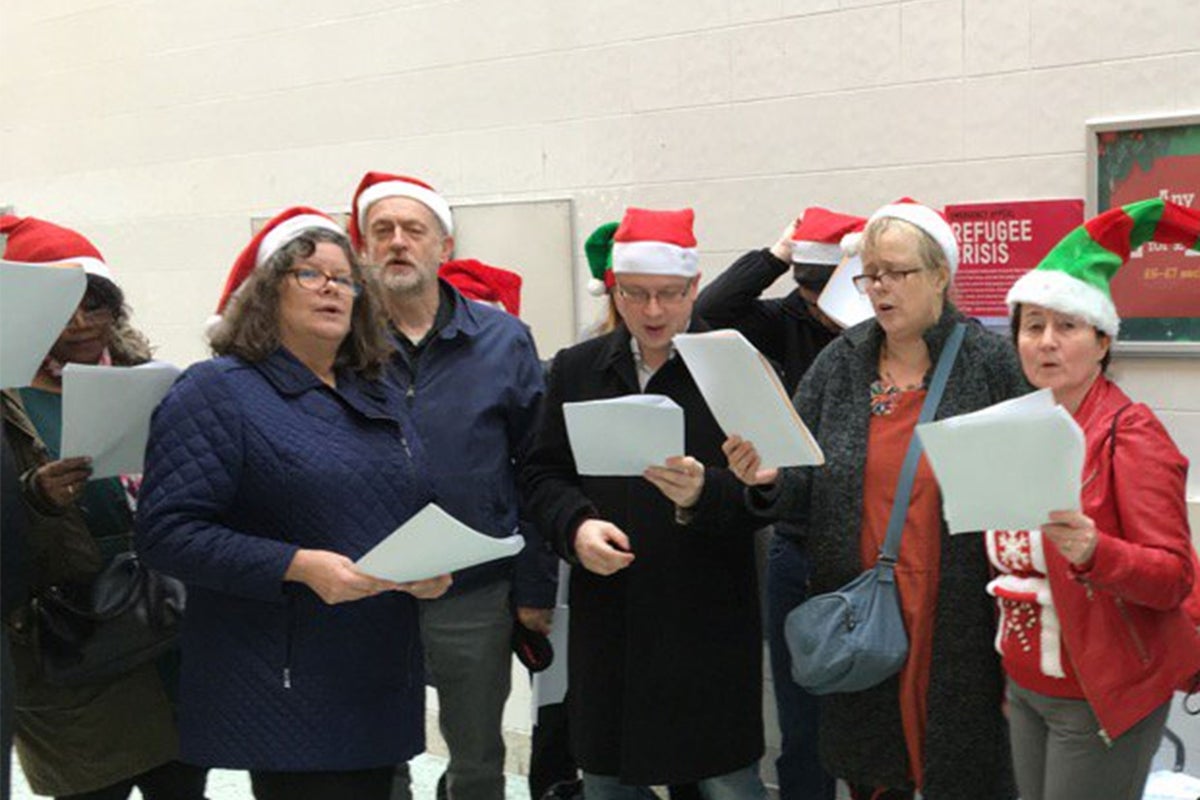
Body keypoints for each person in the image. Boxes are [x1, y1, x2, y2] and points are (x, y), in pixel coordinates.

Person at [136, 207, 450, 800]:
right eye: (310, 274)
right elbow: (164, 532)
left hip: (380, 664)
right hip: (286, 677)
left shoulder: (374, 388)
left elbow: (410, 496)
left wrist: (426, 566)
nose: (332, 288)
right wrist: (296, 565)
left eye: (345, 278)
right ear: (265, 291)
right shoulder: (218, 391)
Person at [725, 199, 1027, 800]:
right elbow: (803, 478)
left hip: (957, 608)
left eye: (897, 272)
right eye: (870, 274)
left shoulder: (991, 365)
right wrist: (768, 482)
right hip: (864, 603)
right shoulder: (841, 364)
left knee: (961, 765)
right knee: (876, 768)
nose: (879, 288)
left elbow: (1021, 495)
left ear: (941, 275)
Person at [523, 207, 770, 800]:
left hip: (706, 616)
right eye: (635, 294)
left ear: (693, 290)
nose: (653, 312)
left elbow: (775, 492)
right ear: (615, 291)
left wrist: (709, 491)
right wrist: (577, 528)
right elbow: (542, 473)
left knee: (726, 779)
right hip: (613, 620)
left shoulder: (733, 369)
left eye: (668, 294)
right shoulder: (578, 369)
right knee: (608, 777)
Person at [347, 172, 554, 800]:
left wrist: (535, 587)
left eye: (414, 230)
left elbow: (537, 466)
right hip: (367, 587)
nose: (398, 243)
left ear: (445, 247)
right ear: (363, 249)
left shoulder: (503, 341)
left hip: (474, 592)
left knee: (477, 758)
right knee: (373, 756)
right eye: (382, 231)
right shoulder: (338, 344)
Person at [992, 197, 1200, 800]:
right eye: (1033, 327)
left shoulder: (1129, 432)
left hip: (1100, 692)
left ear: (1103, 341)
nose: (1047, 343)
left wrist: (1094, 550)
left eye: (1067, 326)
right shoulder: (1017, 426)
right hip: (1028, 684)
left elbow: (1173, 577)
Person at [0, 215, 207, 800]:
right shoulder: (9, 398)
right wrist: (36, 498)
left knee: (183, 785)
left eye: (96, 304)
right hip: (72, 648)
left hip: (166, 626)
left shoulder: (150, 381)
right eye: (62, 308)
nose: (81, 323)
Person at [694, 207, 865, 800]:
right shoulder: (789, 316)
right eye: (808, 289)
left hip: (868, 546)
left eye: (828, 291)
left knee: (876, 722)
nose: (818, 305)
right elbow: (713, 311)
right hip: (794, 535)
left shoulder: (885, 335)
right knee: (802, 722)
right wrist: (777, 253)